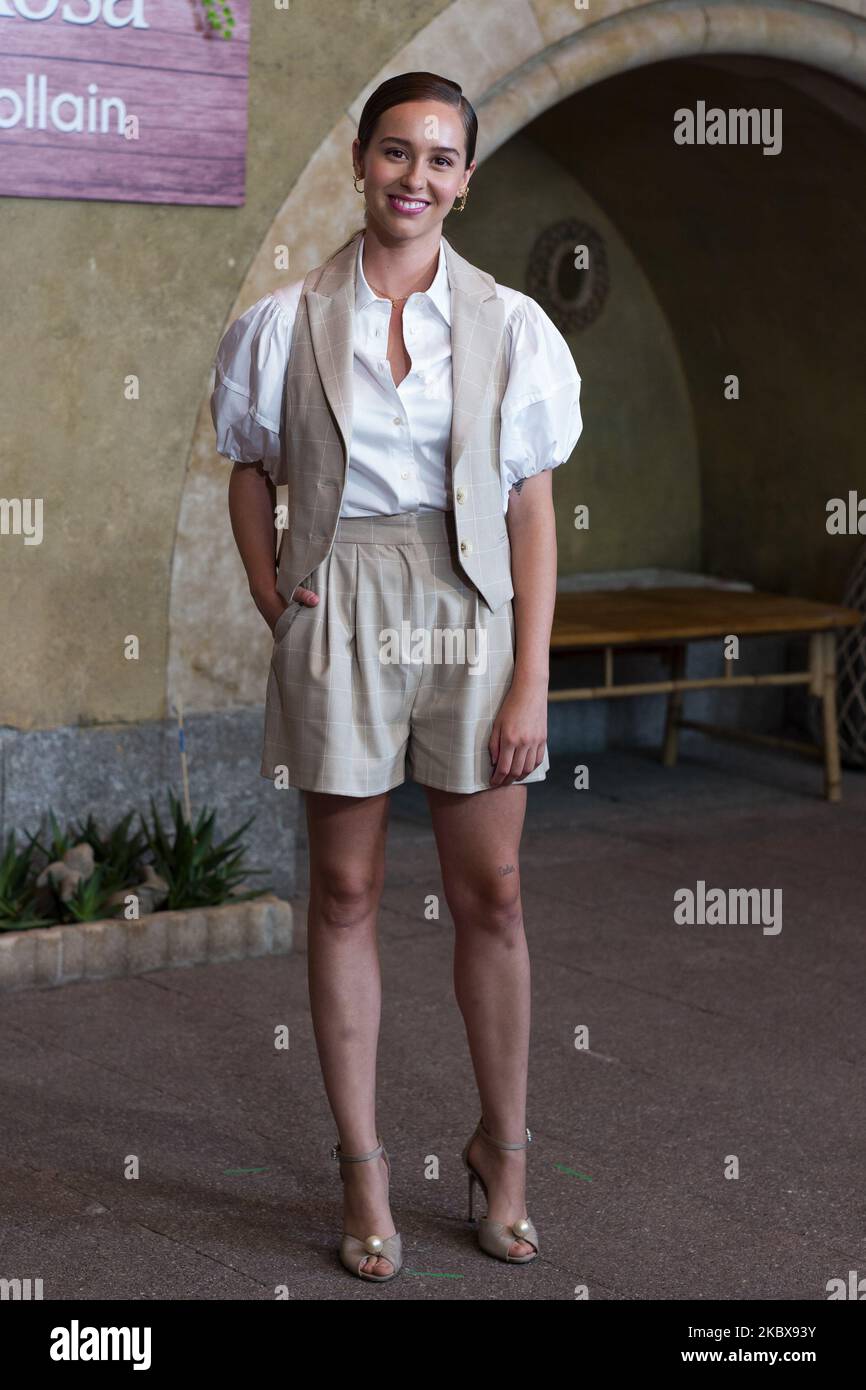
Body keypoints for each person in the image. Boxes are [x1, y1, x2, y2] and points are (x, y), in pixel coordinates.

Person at [210, 70, 583, 1284]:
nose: (412, 177)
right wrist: (276, 599)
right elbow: (251, 469)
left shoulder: (510, 325)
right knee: (344, 889)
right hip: (341, 600)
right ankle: (362, 1168)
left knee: (495, 892)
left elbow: (529, 506)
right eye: (393, 152)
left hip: (470, 604)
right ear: (360, 161)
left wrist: (530, 677)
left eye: (438, 158)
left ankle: (501, 1150)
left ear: (463, 180)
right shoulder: (282, 320)